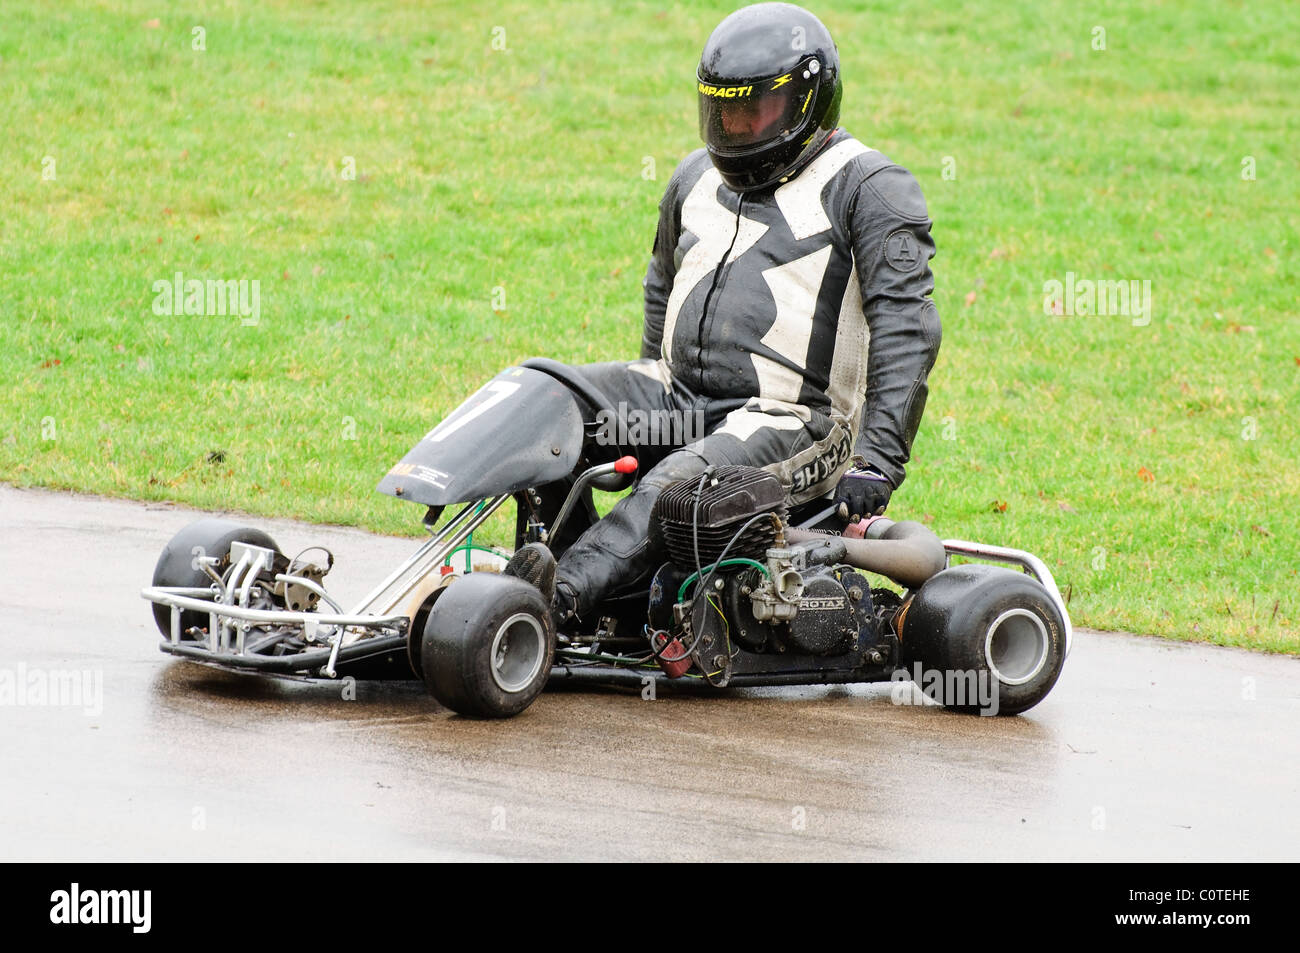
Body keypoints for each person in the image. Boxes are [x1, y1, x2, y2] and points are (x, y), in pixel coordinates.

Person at [508, 2, 942, 630]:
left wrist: (876, 461)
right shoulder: (693, 175)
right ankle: (572, 579)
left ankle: (553, 605)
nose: (735, 129)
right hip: (683, 395)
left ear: (807, 102)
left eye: (752, 111)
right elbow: (661, 283)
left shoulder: (870, 187)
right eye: (723, 111)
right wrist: (649, 395)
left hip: (797, 419)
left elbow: (909, 330)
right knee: (547, 406)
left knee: (677, 487)